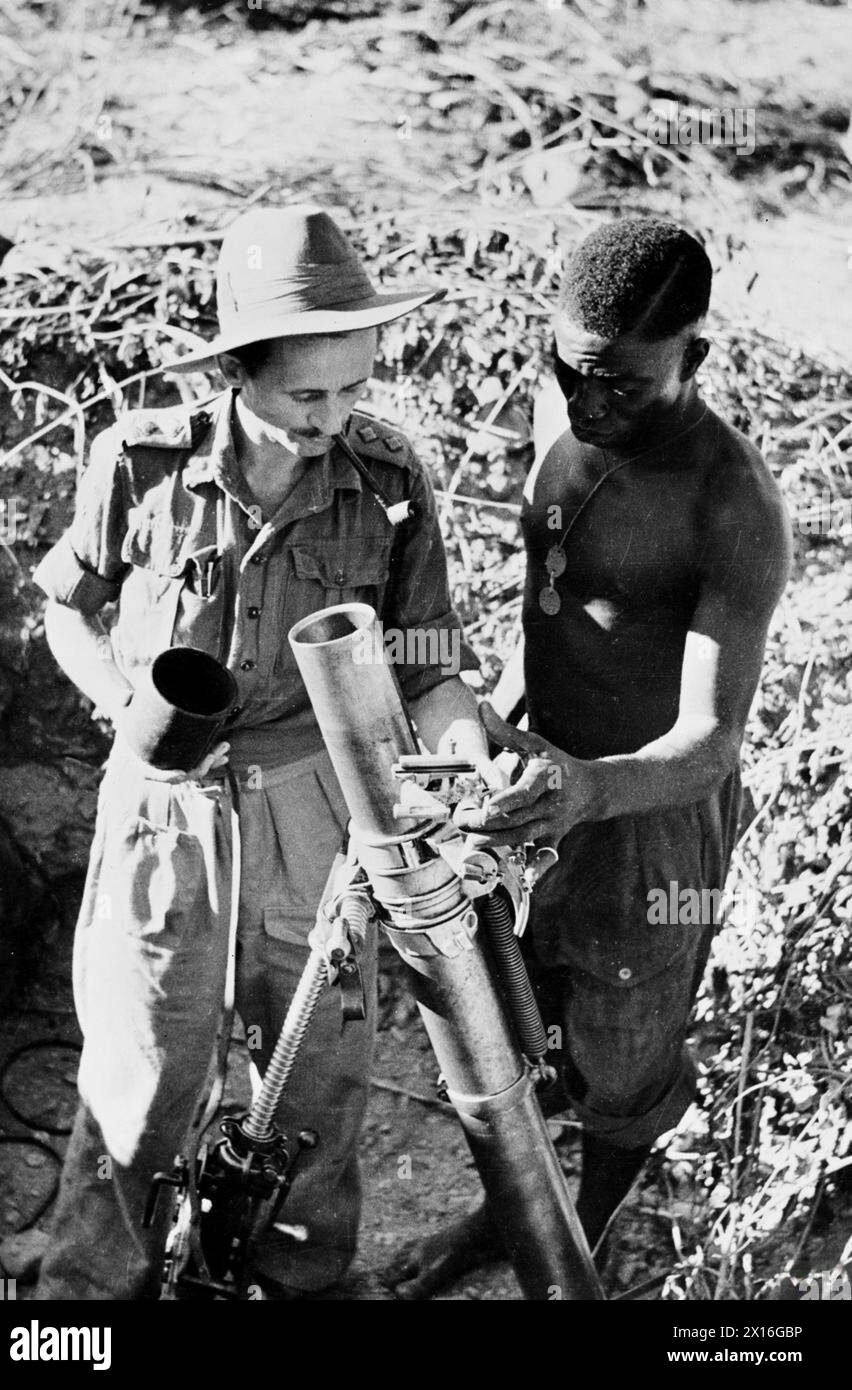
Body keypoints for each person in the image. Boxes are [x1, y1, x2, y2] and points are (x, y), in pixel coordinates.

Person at [32, 205, 496, 1300]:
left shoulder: (388, 483)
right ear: (239, 371)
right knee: (143, 1081)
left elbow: (428, 664)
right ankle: (84, 1303)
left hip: (316, 814)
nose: (332, 416)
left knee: (314, 1093)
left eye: (352, 389)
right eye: (305, 394)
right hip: (164, 809)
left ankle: (300, 1288)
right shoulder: (142, 465)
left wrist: (461, 745)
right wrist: (133, 719)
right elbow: (66, 609)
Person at [383, 217, 792, 1298]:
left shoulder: (731, 503)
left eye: (622, 386)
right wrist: (502, 741)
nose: (588, 403)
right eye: (569, 370)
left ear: (694, 361)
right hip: (536, 783)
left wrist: (587, 791)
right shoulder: (565, 411)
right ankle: (508, 1210)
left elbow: (707, 745)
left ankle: (576, 1242)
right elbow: (554, 606)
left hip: (644, 816)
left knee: (623, 1048)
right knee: (516, 1009)